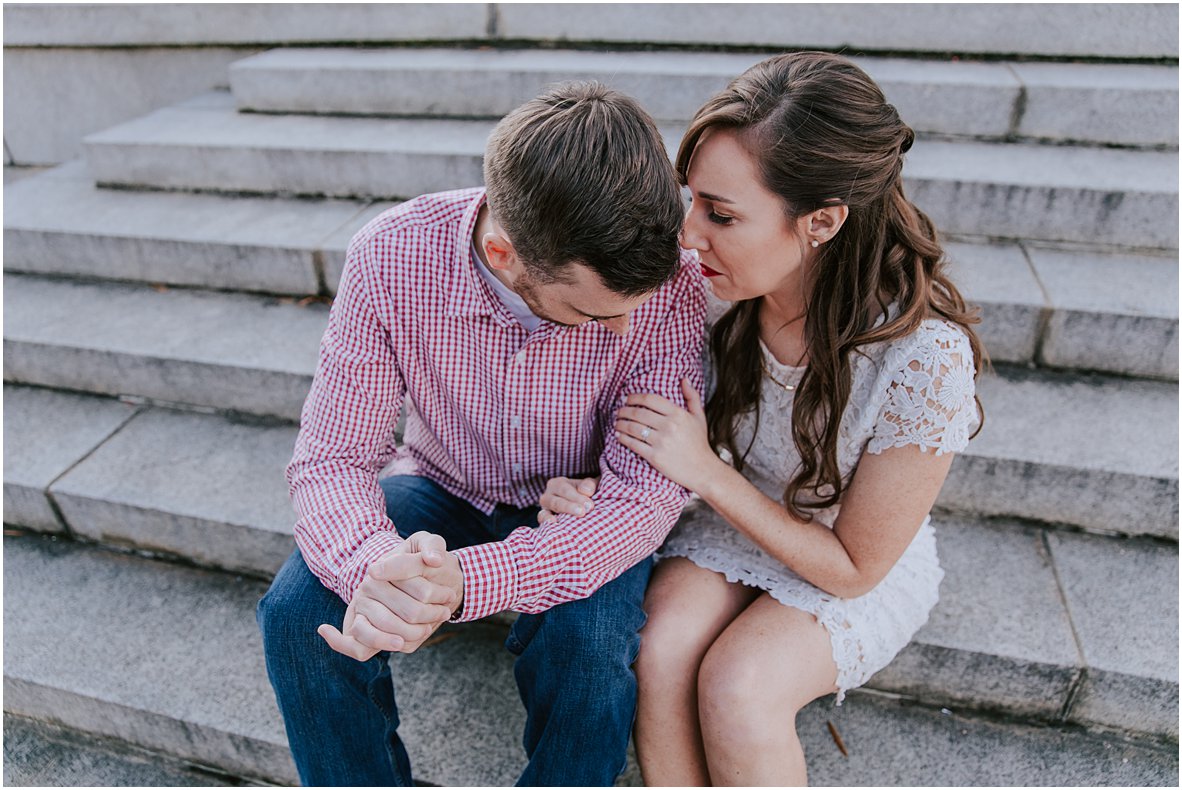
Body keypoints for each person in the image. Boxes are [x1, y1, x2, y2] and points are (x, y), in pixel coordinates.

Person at [538, 52, 985, 786]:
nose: (688, 235)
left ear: (822, 221)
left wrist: (704, 471)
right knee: (657, 653)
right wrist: (599, 488)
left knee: (739, 687)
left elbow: (851, 568)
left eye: (721, 214)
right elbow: (629, 411)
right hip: (723, 520)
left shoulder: (923, 361)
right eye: (692, 201)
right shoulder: (706, 290)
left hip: (847, 560)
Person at [256, 81, 707, 786]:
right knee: (296, 616)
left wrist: (468, 584)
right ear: (503, 254)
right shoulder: (391, 256)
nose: (621, 331)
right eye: (588, 315)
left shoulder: (669, 283)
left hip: (582, 507)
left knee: (590, 646)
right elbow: (331, 459)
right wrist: (377, 575)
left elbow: (643, 502)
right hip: (442, 485)